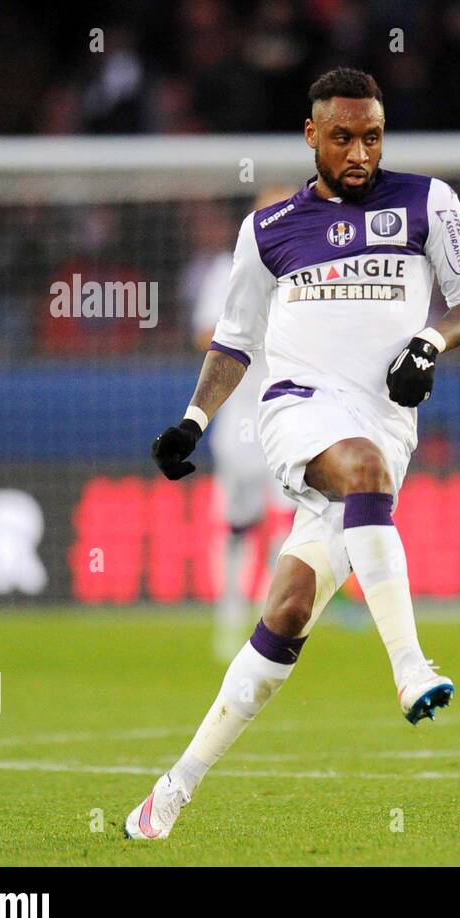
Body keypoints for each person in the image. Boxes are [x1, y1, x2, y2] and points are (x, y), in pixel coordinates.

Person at [125, 67, 460, 840]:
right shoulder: (268, 232)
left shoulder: (429, 203)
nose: (359, 152)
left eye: (372, 137)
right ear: (312, 136)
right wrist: (192, 420)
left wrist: (430, 340)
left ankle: (170, 792)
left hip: (385, 424)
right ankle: (411, 668)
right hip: (296, 413)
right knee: (362, 468)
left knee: (288, 611)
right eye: (343, 137)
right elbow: (233, 339)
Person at [184, 191, 298, 662]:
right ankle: (228, 615)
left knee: (287, 518)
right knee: (237, 519)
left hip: (291, 410)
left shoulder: (308, 269)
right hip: (241, 411)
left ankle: (266, 620)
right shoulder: (228, 271)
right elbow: (201, 336)